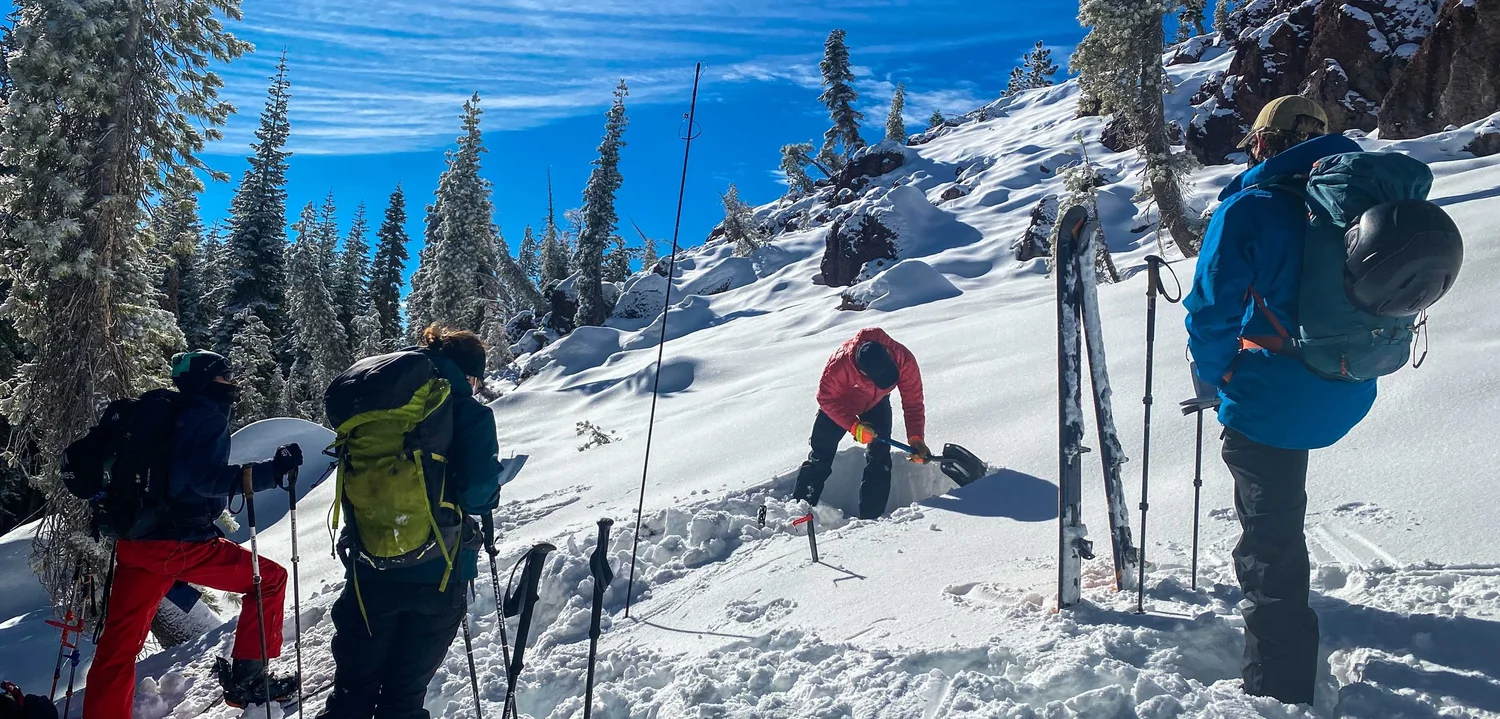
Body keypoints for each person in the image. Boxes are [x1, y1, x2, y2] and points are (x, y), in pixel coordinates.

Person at [1184, 96, 1375, 705]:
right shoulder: (1357, 199)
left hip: (1272, 400)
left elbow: (1210, 313)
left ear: (1263, 142)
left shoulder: (1251, 206)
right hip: (1347, 383)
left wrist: (1217, 382)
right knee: (1281, 506)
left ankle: (1279, 690)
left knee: (1270, 545)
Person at [83, 350, 303, 718]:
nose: (232, 381)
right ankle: (248, 682)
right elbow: (204, 480)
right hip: (179, 544)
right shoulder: (204, 417)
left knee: (117, 649)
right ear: (207, 380)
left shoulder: (161, 413)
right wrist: (270, 473)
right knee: (269, 580)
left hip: (137, 543)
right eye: (225, 375)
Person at [317, 326, 503, 719]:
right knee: (402, 699)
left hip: (368, 573)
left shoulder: (381, 403)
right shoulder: (466, 410)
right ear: (469, 373)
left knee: (351, 696)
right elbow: (477, 494)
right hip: (437, 574)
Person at [791, 328, 927, 520]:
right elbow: (825, 398)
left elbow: (913, 403)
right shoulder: (839, 366)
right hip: (838, 405)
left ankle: (871, 520)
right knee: (820, 458)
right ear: (861, 371)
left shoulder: (904, 360)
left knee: (880, 459)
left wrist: (916, 438)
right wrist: (855, 426)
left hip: (876, 403)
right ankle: (798, 514)